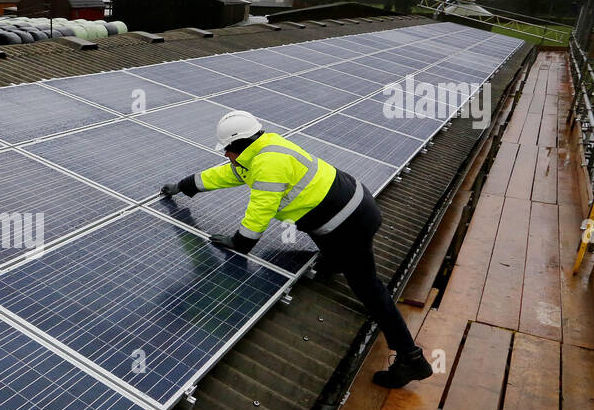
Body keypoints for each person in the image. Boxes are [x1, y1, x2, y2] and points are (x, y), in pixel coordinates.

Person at [160, 110, 432, 389]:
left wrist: (240, 243)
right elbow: (227, 174)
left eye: (227, 149)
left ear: (239, 144)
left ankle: (411, 358)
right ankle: (335, 261)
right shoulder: (260, 150)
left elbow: (260, 210)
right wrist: (184, 186)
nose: (226, 154)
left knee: (367, 287)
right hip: (345, 210)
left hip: (350, 223)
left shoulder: (268, 163)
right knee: (330, 260)